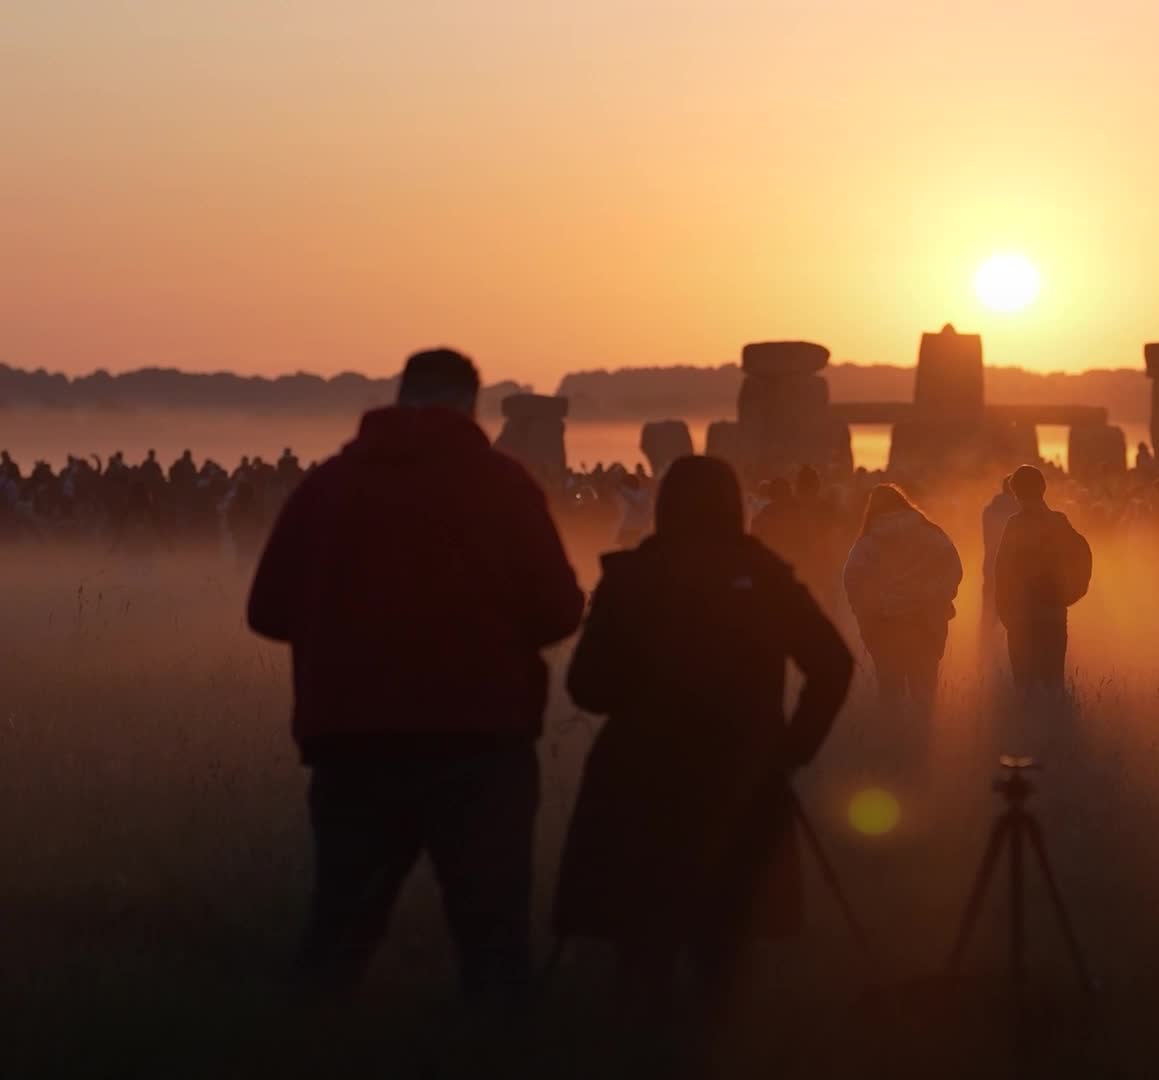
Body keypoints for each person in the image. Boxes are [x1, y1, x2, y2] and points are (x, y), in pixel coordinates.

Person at [246, 348, 585, 1004]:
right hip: (481, 741)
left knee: (339, 928)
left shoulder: (327, 487)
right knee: (492, 943)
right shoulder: (504, 487)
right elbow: (560, 610)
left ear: (399, 396)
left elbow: (267, 611)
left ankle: (299, 1051)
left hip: (352, 741)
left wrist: (339, 634)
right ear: (471, 404)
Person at [557, 456, 853, 1042]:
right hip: (743, 777)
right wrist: (792, 749)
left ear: (665, 506)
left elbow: (585, 687)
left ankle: (637, 1050)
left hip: (640, 776)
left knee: (641, 932)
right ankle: (716, 1046)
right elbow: (834, 663)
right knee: (726, 933)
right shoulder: (763, 574)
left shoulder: (633, 577)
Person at [842, 484, 963, 705]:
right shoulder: (931, 532)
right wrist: (937, 597)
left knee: (890, 693)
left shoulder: (868, 541)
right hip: (927, 622)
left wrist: (869, 608)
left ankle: (895, 736)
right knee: (924, 694)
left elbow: (852, 579)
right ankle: (920, 736)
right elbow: (953, 568)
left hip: (885, 624)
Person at [993, 465, 1092, 694]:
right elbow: (1083, 555)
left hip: (1020, 616)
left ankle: (1030, 728)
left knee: (1024, 687)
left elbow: (1001, 571)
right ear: (1043, 489)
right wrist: (1070, 595)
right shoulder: (1059, 521)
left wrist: (1004, 612)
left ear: (1015, 493)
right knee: (1053, 682)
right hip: (1053, 614)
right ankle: (1054, 726)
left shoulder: (1014, 525)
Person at [980, 475, 1020, 635]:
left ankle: (985, 654)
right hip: (1015, 572)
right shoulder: (1019, 512)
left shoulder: (989, 510)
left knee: (989, 615)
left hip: (990, 567)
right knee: (1016, 618)